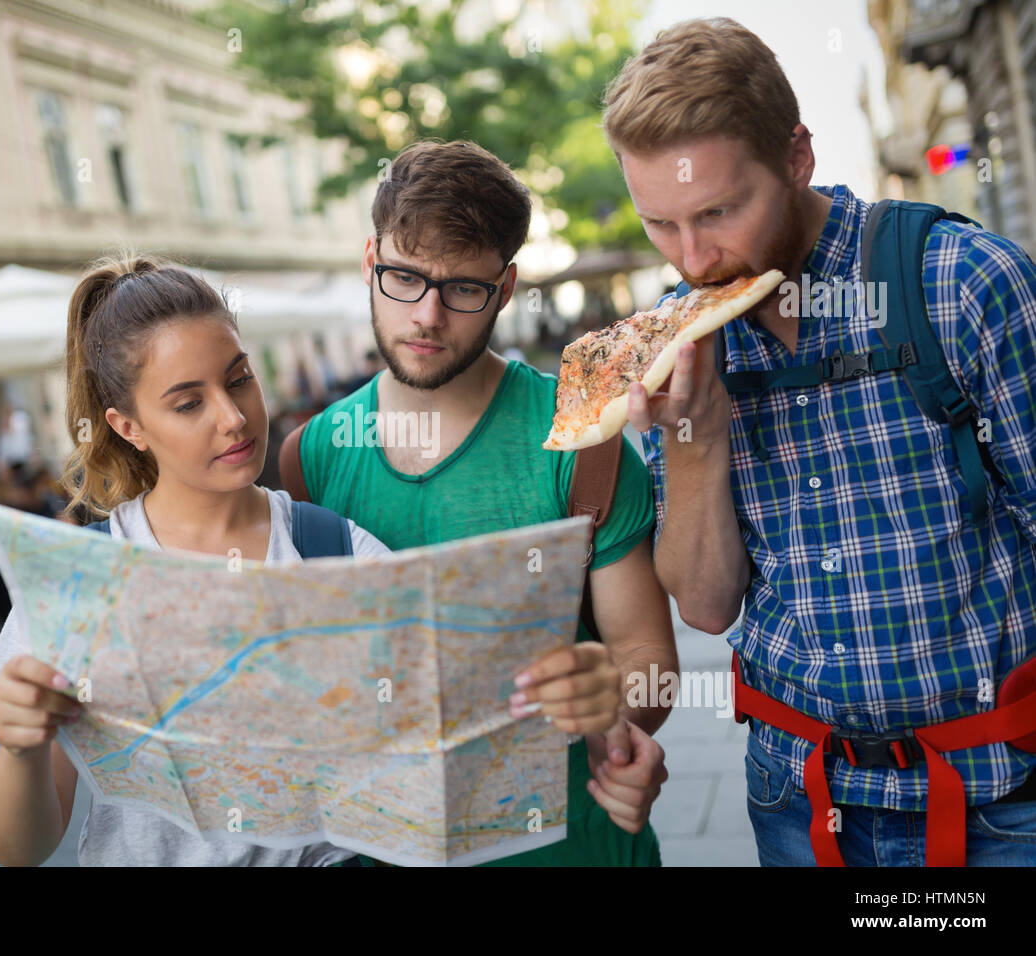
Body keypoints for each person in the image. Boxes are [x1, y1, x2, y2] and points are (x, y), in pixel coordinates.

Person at [611, 17, 1036, 866]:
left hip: (995, 796)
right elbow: (704, 605)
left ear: (797, 156)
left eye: (719, 213)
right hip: (797, 797)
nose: (693, 260)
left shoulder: (963, 284)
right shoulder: (670, 345)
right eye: (660, 225)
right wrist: (696, 438)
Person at [289, 139, 677, 866]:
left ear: (504, 289)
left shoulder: (582, 441)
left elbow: (649, 661)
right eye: (405, 277)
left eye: (462, 288)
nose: (429, 316)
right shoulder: (309, 457)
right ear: (370, 262)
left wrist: (611, 699)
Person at [0, 254, 401, 867]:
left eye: (238, 380)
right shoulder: (78, 582)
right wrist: (19, 749)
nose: (233, 419)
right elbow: (16, 851)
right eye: (187, 404)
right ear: (128, 426)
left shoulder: (337, 552)